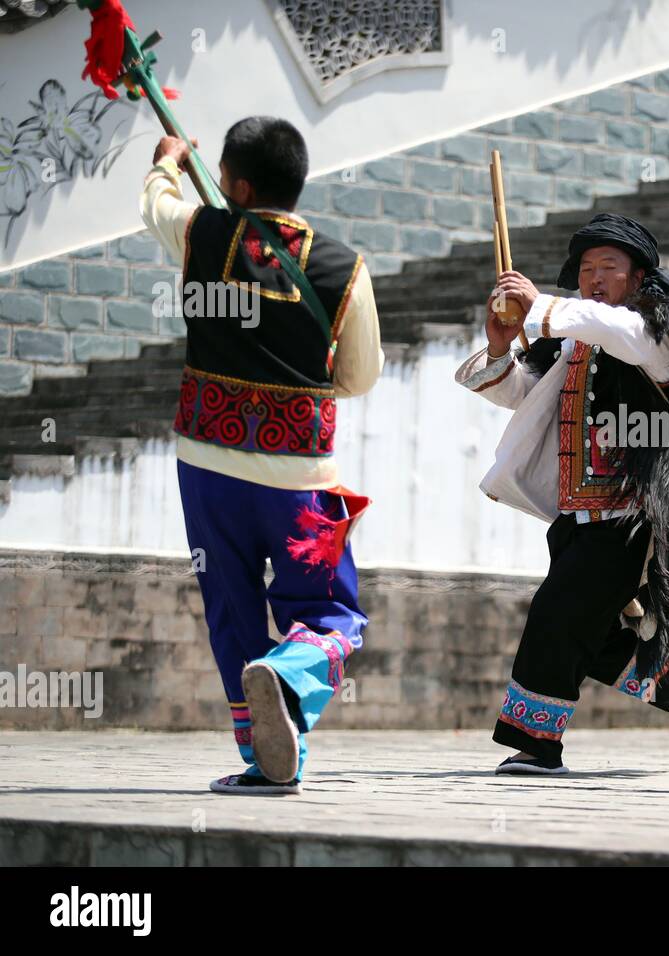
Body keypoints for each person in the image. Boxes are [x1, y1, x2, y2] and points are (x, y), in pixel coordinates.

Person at [140, 116, 383, 795]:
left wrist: (167, 161)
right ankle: (293, 673)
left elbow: (154, 205)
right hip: (300, 476)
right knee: (332, 610)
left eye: (220, 178)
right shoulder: (343, 267)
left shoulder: (203, 235)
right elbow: (361, 377)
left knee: (231, 607)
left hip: (206, 468)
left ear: (239, 185)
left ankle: (264, 757)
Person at [455, 213, 669, 774]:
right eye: (585, 269)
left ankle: (537, 744)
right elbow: (523, 396)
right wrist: (501, 345)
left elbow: (620, 334)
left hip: (633, 520)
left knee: (556, 616)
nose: (595, 277)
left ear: (638, 277)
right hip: (576, 513)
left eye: (609, 267)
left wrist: (539, 305)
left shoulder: (659, 335)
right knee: (596, 633)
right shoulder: (576, 338)